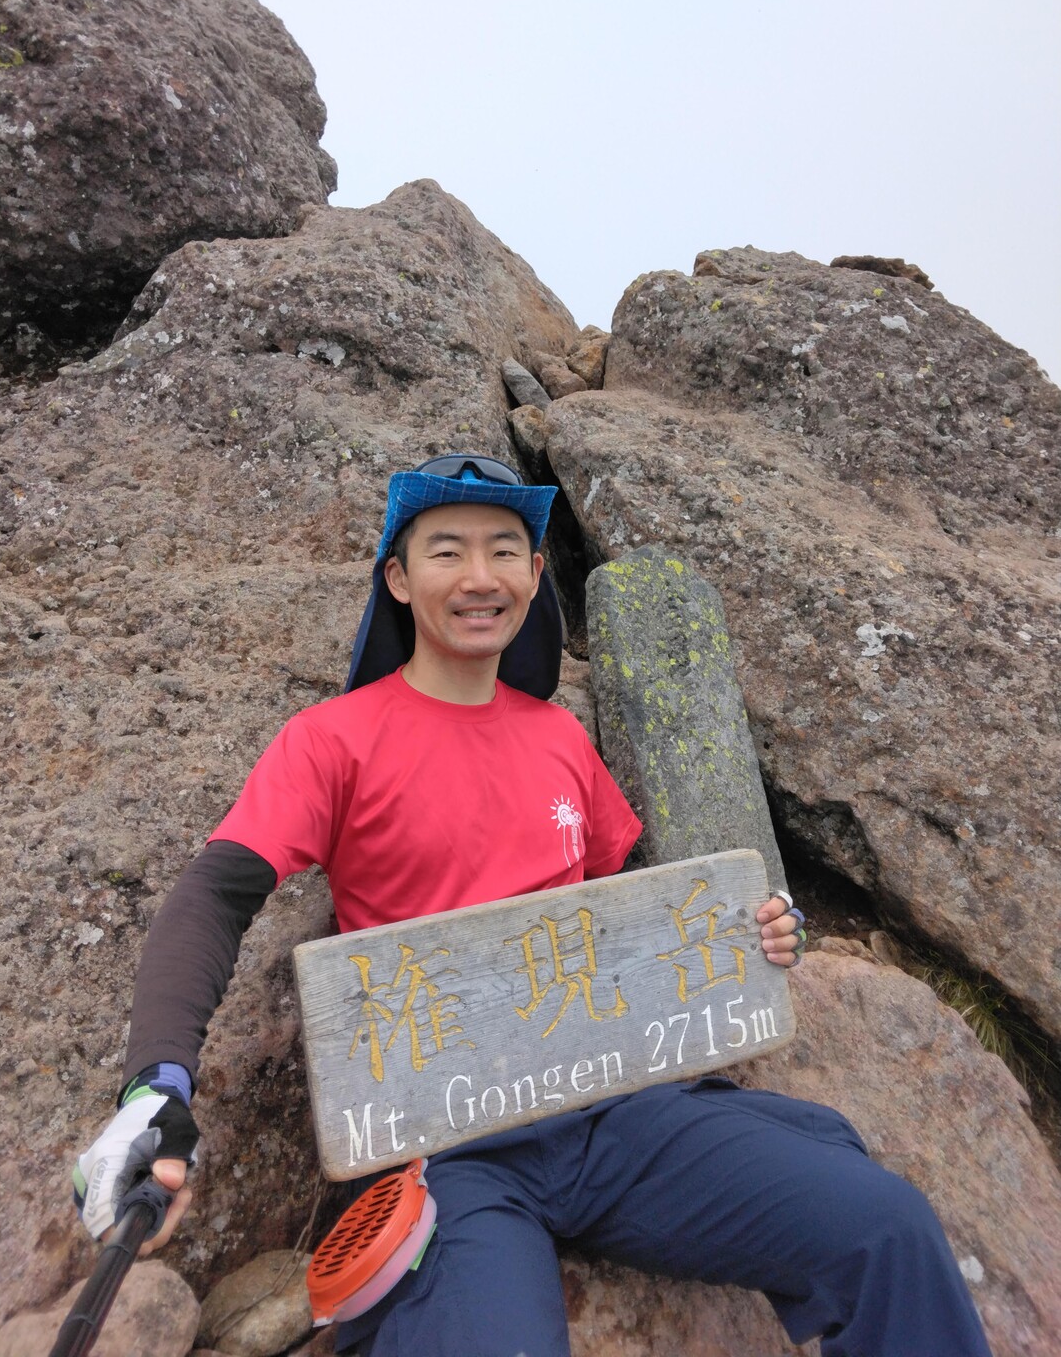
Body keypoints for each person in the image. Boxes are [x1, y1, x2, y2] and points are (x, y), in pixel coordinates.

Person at [73, 454, 992, 1356]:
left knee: (888, 1228)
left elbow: (639, 907)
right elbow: (214, 895)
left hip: (616, 1115)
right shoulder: (332, 741)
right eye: (446, 551)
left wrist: (746, 933)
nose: (480, 577)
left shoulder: (558, 737)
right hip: (443, 1149)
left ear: (536, 572)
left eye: (505, 550)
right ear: (397, 578)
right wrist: (156, 1087)